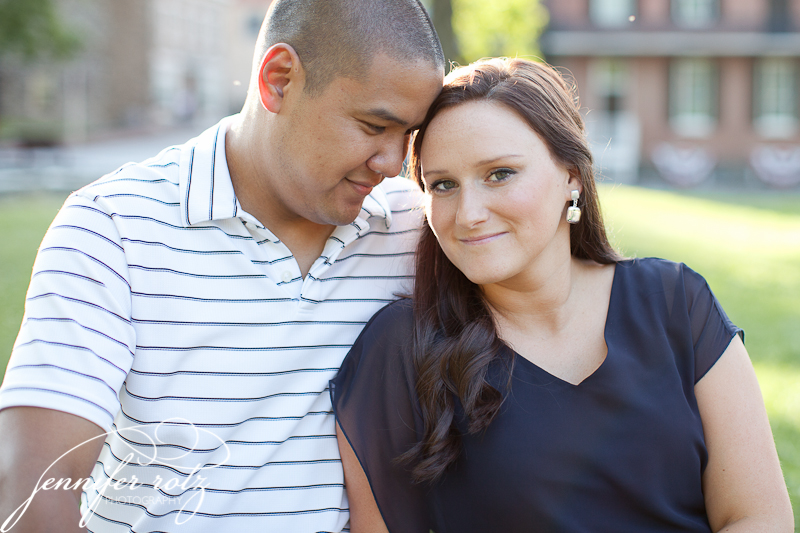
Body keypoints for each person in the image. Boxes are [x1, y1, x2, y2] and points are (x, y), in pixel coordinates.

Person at [0, 1, 444, 531]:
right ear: (278, 79)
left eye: (409, 135)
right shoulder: (113, 226)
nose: (393, 163)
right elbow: (35, 483)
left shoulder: (419, 230)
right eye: (374, 125)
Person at [331, 58, 794, 533]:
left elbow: (758, 516)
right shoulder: (401, 349)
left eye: (500, 174)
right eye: (443, 185)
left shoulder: (676, 303)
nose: (468, 213)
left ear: (571, 174)